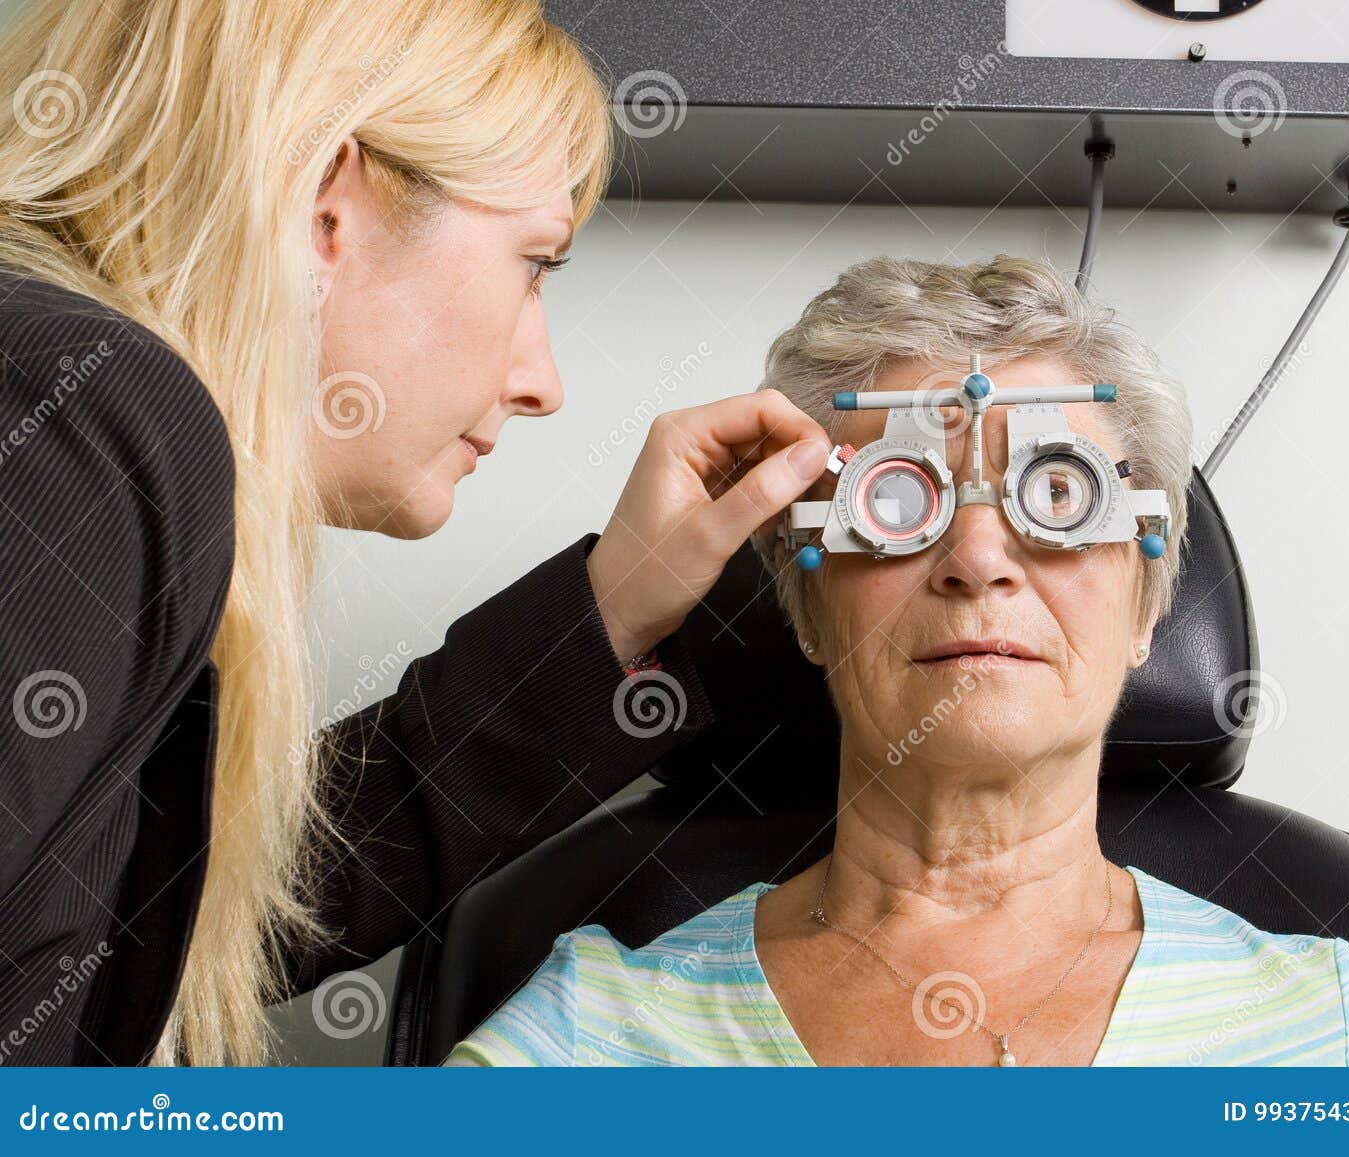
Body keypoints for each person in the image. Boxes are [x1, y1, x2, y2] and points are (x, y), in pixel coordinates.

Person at [0, 0, 829, 1065]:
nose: (542, 383)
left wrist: (616, 604)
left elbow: (174, 920)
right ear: (325, 208)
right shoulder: (87, 415)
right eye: (536, 263)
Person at [447, 256, 1349, 1067]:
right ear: (805, 604)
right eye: (897, 501)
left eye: (1056, 497)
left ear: (1147, 602)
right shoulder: (592, 1041)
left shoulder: (1331, 1039)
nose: (976, 558)